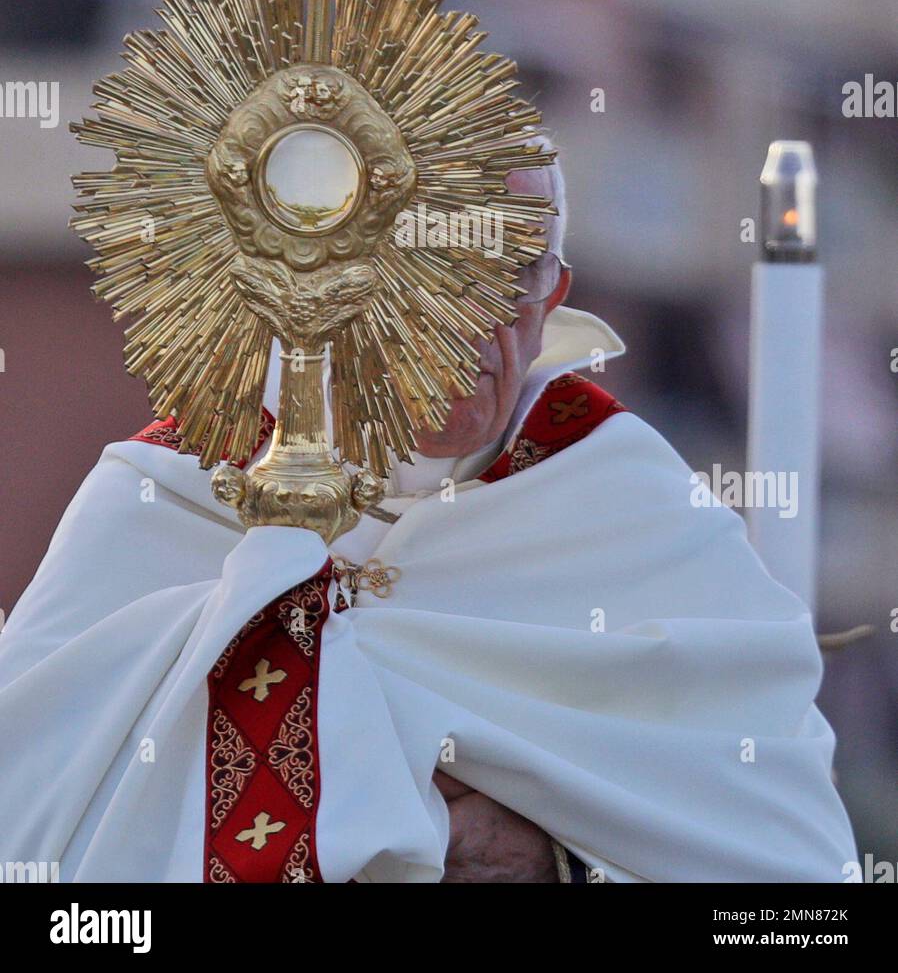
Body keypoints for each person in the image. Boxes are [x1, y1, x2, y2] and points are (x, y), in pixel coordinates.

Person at [0, 154, 856, 883]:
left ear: (554, 290)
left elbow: (787, 891)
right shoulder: (168, 492)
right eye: (433, 273)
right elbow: (33, 816)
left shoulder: (632, 506)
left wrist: (551, 861)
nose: (477, 325)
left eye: (512, 276)